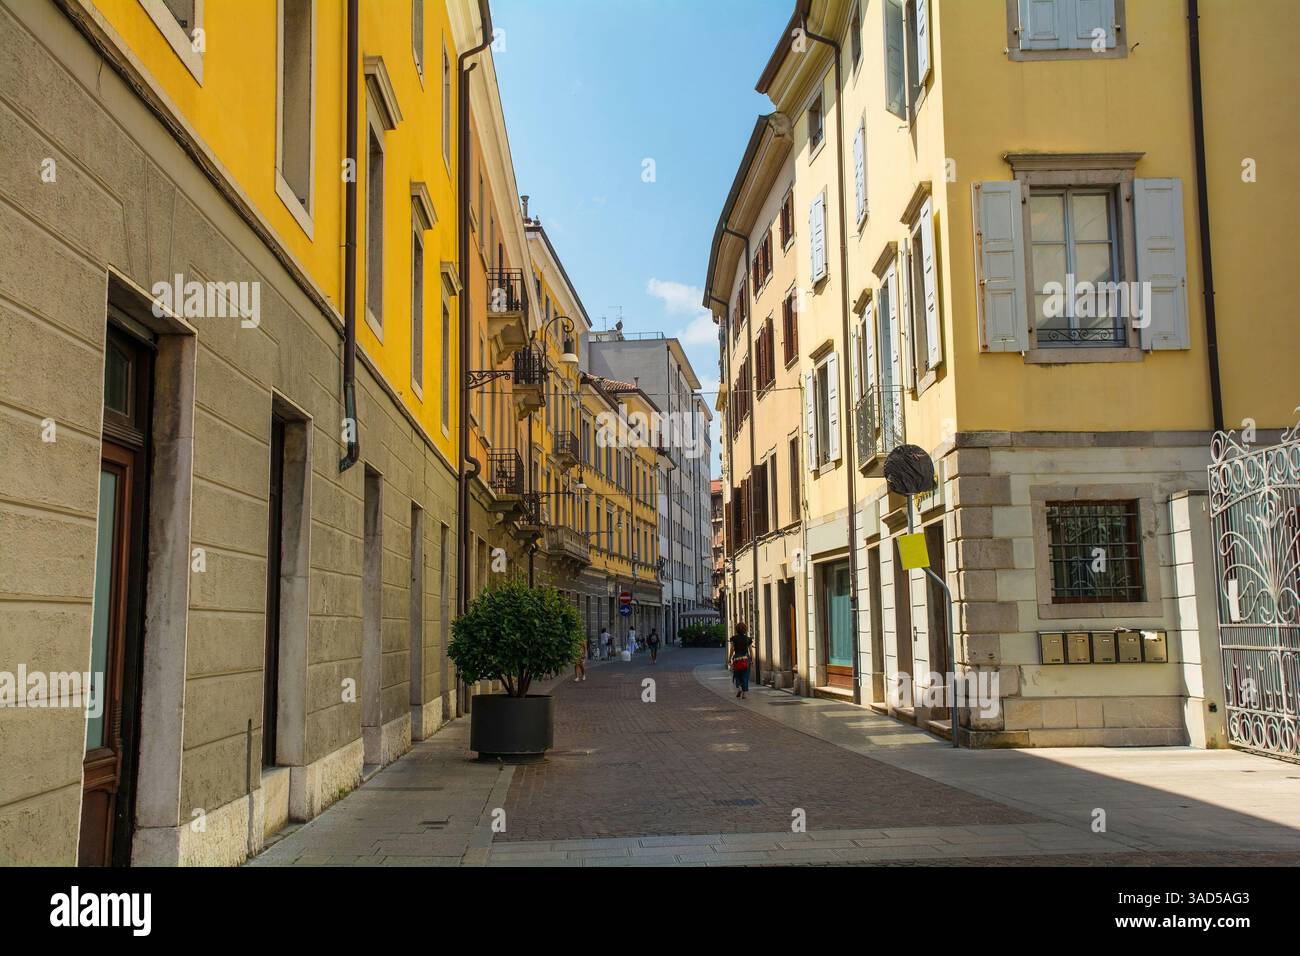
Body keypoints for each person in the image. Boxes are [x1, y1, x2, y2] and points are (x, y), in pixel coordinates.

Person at [729, 621, 752, 699]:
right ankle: (744, 694)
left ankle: (739, 689)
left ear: (736, 629)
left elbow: (732, 649)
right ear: (745, 629)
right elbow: (750, 650)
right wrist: (751, 659)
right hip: (745, 659)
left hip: (737, 659)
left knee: (737, 675)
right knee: (745, 676)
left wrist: (729, 658)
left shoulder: (734, 638)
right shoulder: (748, 639)